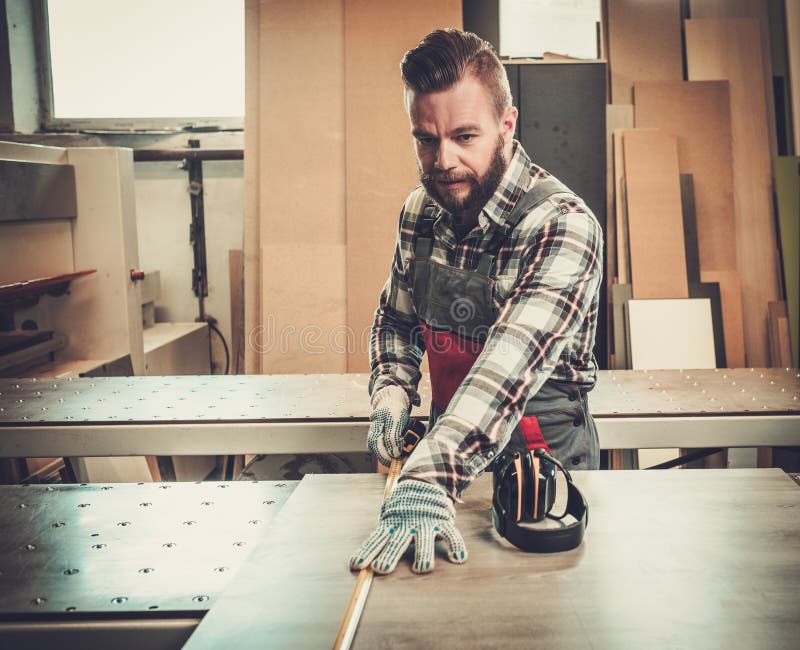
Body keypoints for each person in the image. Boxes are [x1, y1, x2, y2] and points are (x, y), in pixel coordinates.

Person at [350, 29, 603, 576]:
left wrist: (426, 478)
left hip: (542, 470)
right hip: (443, 454)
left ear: (507, 124)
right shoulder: (420, 212)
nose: (444, 161)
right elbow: (396, 317)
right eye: (426, 139)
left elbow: (507, 366)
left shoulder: (562, 225)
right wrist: (391, 387)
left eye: (465, 136)